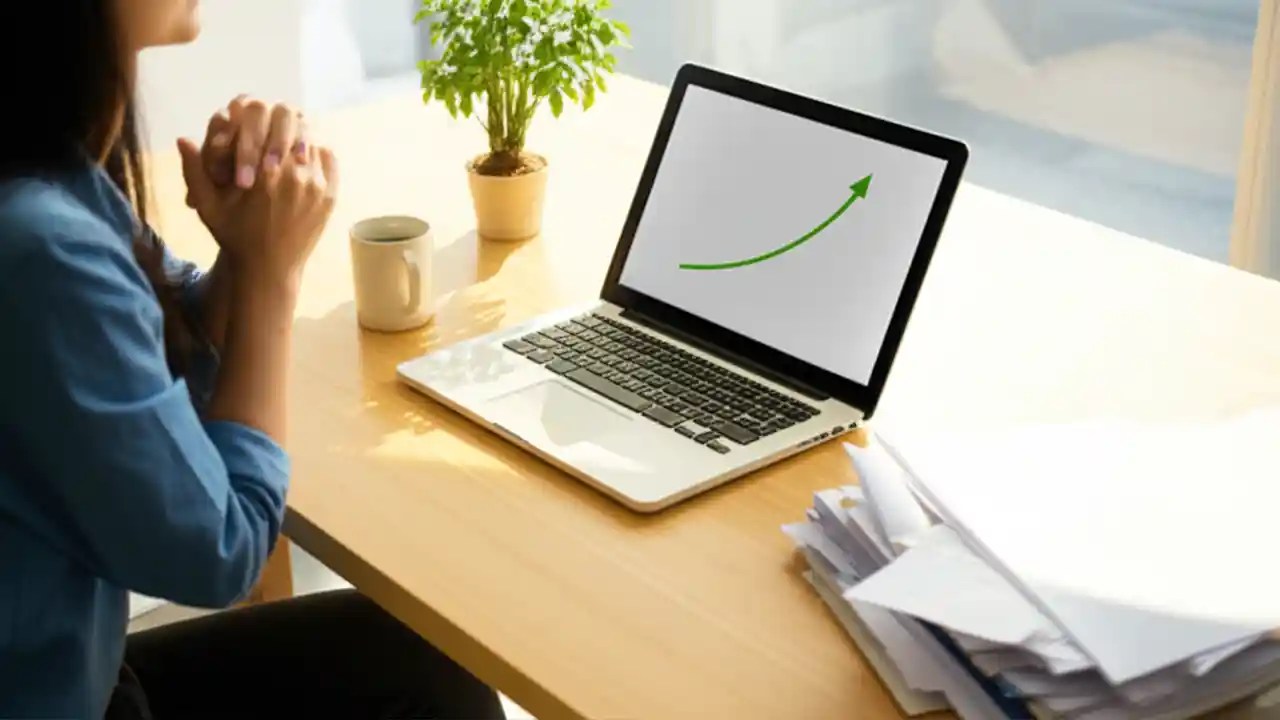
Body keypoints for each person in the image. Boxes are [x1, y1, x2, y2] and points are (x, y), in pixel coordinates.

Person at [0, 1, 505, 718]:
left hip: (78, 670)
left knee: (424, 665)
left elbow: (165, 366)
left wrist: (243, 250)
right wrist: (272, 277)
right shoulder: (39, 245)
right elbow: (220, 548)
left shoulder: (53, 171)